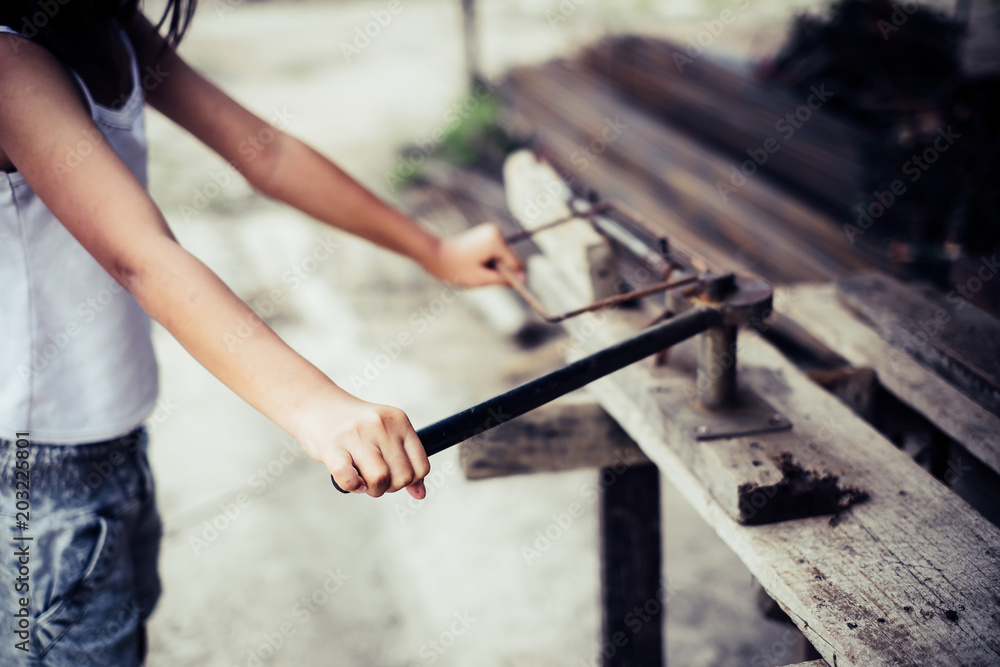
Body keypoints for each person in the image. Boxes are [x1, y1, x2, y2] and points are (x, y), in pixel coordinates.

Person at [0, 0, 524, 663]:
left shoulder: (109, 24)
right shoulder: (11, 64)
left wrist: (432, 249)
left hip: (112, 435)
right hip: (35, 468)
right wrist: (317, 404)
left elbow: (266, 153)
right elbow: (141, 255)